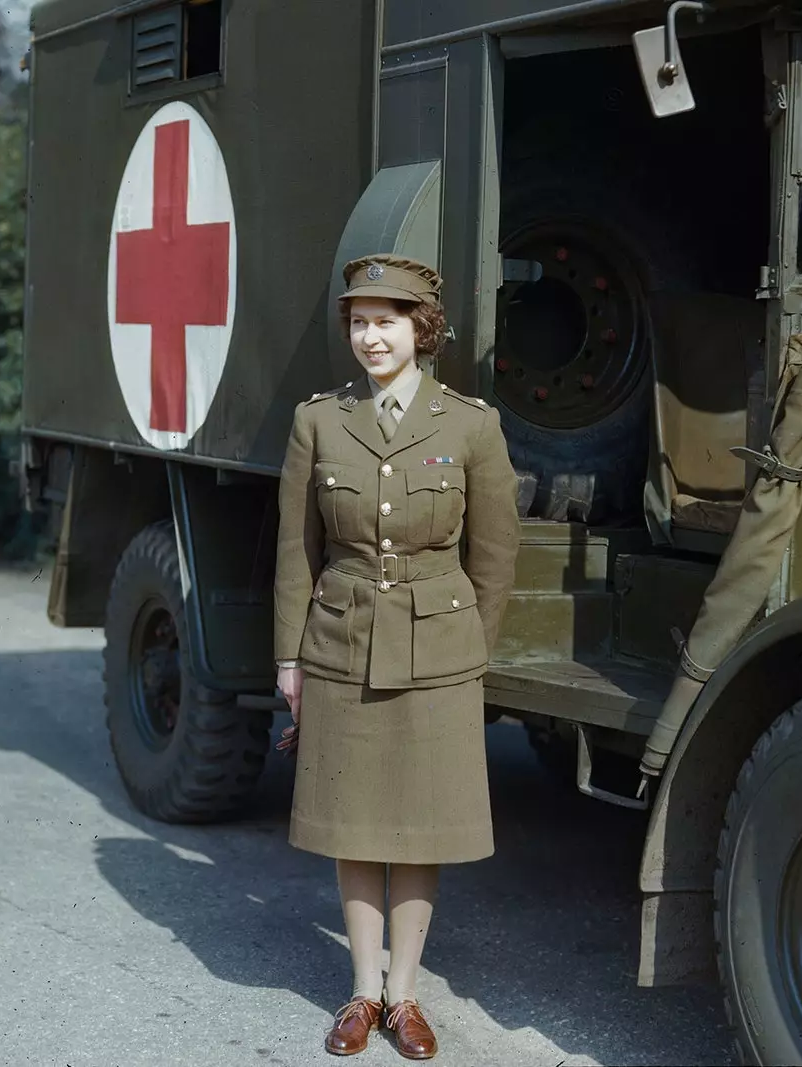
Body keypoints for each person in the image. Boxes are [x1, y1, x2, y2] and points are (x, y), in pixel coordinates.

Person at [272, 253, 521, 1059]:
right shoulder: (318, 420)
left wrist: (467, 647)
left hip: (437, 648)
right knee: (356, 821)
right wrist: (289, 659)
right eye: (358, 321)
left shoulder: (472, 425)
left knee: (419, 828)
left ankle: (405, 995)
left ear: (423, 328)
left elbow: (495, 555)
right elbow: (294, 551)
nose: (370, 336)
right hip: (341, 641)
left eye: (387, 321)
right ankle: (362, 990)